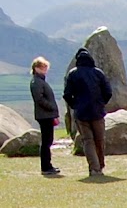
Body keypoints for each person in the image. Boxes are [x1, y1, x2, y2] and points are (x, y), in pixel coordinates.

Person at [61, 48, 112, 177]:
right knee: (99, 140)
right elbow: (108, 92)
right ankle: (100, 165)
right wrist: (101, 103)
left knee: (88, 141)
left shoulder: (73, 74)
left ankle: (94, 168)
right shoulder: (98, 73)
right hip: (97, 112)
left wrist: (75, 105)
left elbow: (67, 95)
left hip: (81, 113)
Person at [29, 57, 61, 176]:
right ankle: (46, 166)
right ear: (36, 68)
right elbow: (39, 99)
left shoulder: (40, 81)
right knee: (46, 141)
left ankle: (48, 165)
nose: (45, 70)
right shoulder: (36, 82)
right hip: (44, 115)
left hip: (47, 114)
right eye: (43, 67)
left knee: (48, 140)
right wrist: (51, 107)